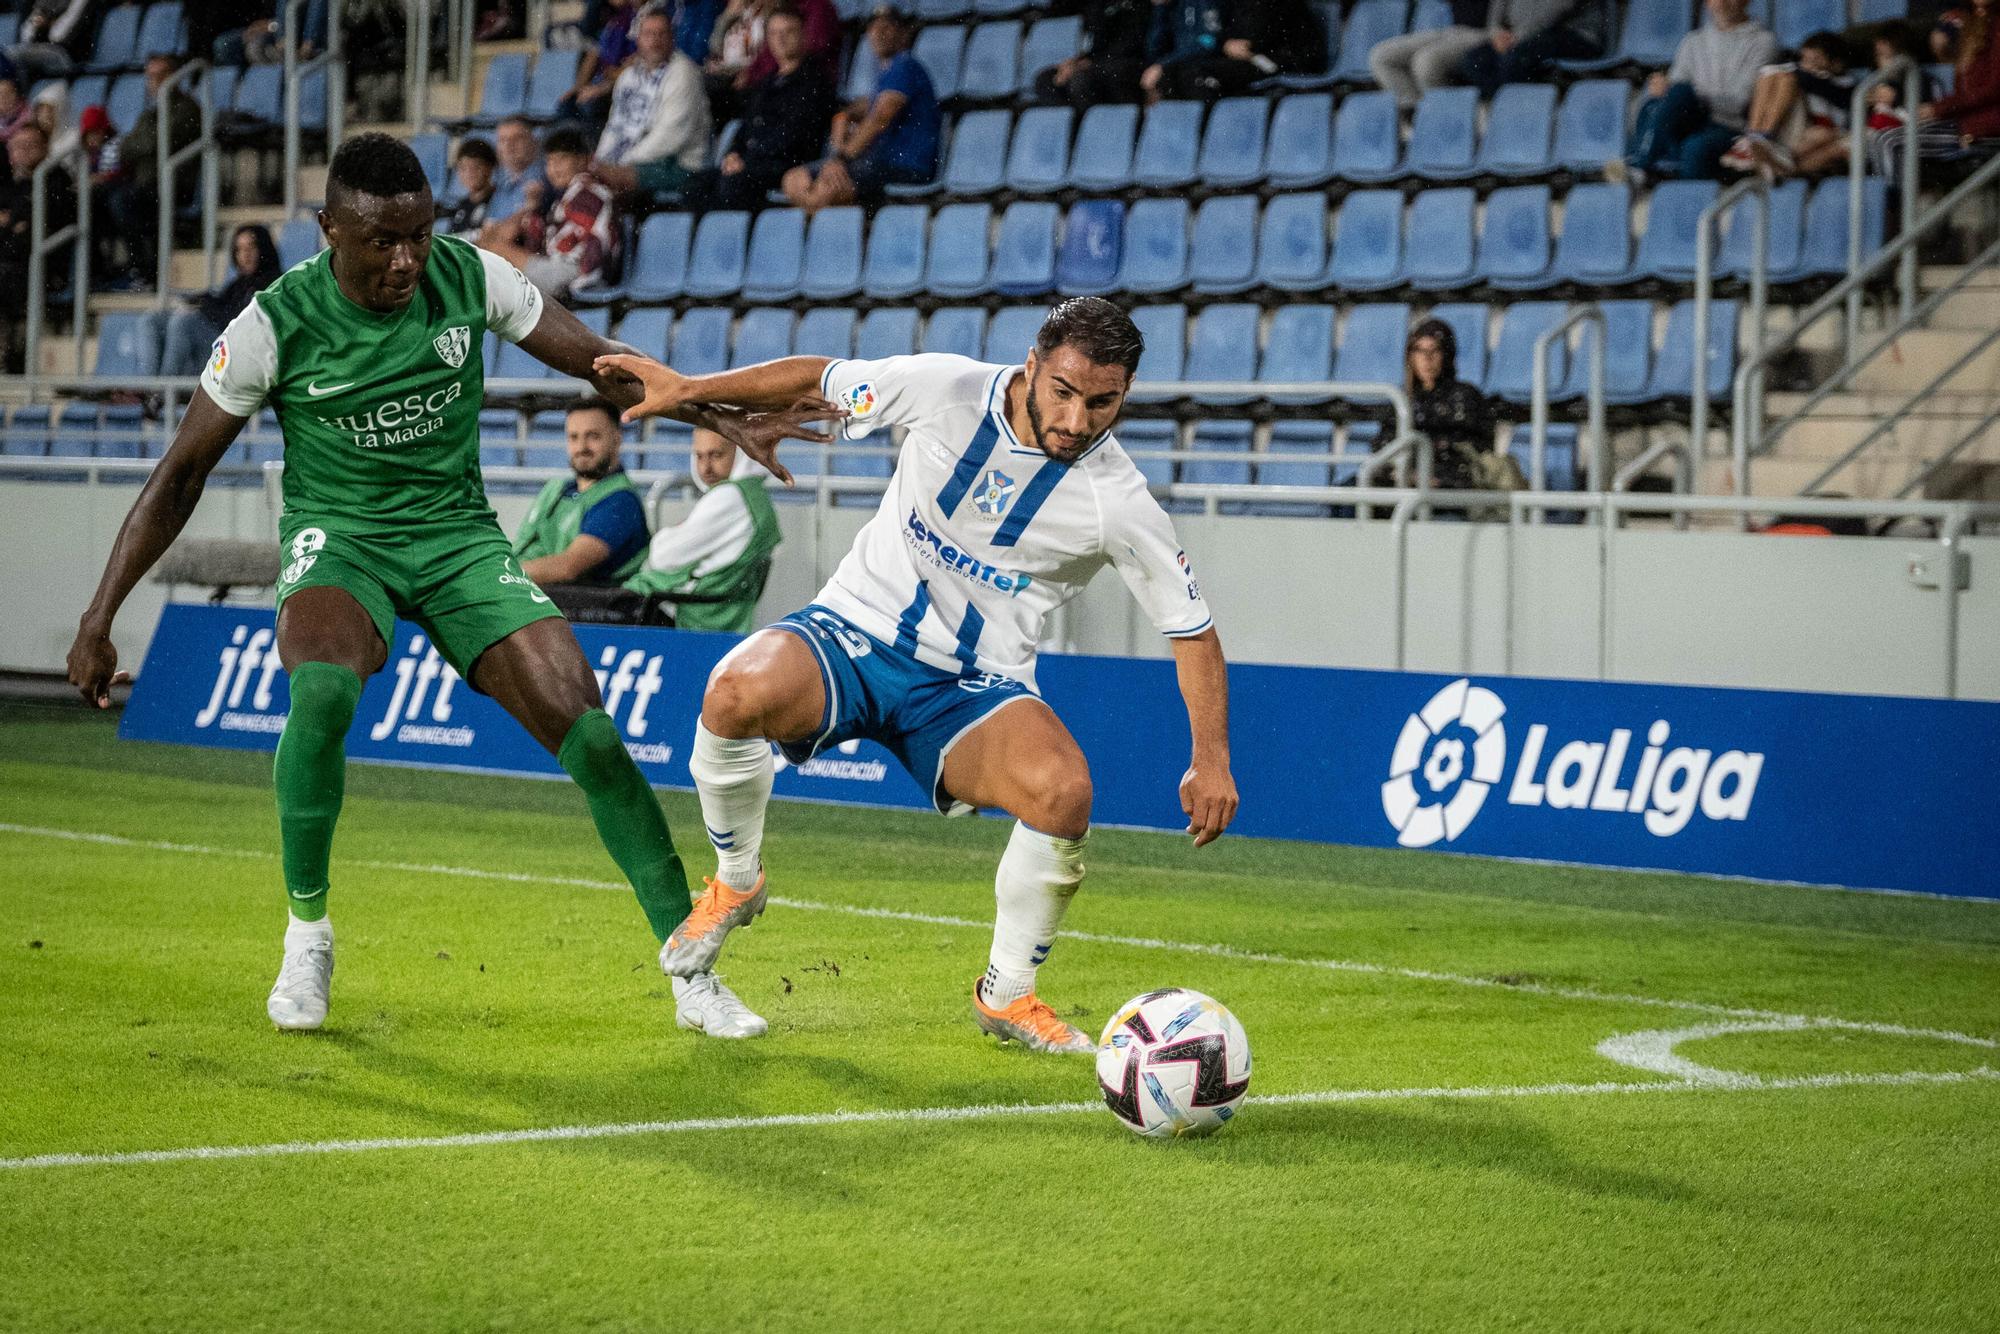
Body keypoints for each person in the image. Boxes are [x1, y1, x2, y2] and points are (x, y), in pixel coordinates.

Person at [65, 133, 833, 1038]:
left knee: (591, 734)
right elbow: (180, 475)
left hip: (458, 540)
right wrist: (100, 615)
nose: (406, 260)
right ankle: (307, 935)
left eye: (419, 235)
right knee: (321, 693)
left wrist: (719, 410)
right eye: (381, 241)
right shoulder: (274, 323)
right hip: (342, 539)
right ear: (329, 230)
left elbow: (595, 360)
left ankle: (692, 971)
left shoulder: (469, 276)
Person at [591, 297, 1240, 1046]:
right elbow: (822, 377)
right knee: (734, 690)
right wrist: (691, 389)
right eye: (1063, 391)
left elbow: (1193, 632)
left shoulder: (1118, 503)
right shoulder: (947, 389)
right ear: (1032, 365)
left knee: (1063, 793)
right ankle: (737, 878)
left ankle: (1007, 995)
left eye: (1102, 403)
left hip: (971, 686)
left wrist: (1211, 759)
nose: (1076, 419)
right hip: (853, 627)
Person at [674, 5, 835, 213]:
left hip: (785, 165)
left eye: (789, 32)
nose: (781, 39)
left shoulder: (815, 82)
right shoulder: (765, 83)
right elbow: (745, 127)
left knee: (733, 185)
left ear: (803, 35)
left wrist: (748, 161)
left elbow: (795, 135)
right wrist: (733, 154)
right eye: (774, 33)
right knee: (694, 185)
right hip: (751, 164)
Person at [623, 426, 781, 633]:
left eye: (716, 455)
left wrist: (665, 537)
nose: (706, 468)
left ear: (740, 452)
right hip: (720, 614)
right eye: (699, 456)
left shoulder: (729, 496)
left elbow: (662, 557)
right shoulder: (754, 494)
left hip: (694, 617)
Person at [782, 5, 938, 214]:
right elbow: (862, 107)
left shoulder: (905, 66)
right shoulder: (886, 74)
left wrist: (841, 158)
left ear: (904, 34)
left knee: (826, 189)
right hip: (876, 165)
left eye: (887, 27)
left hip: (905, 165)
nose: (879, 33)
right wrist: (843, 116)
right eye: (874, 28)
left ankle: (819, 224)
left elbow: (880, 118)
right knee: (793, 179)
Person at [1613, 0, 1780, 184]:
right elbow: (1675, 93)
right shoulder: (1693, 40)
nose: (1721, 4)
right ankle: (1639, 166)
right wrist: (1666, 89)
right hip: (1691, 121)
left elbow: (1740, 101)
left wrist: (1686, 92)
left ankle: (1638, 165)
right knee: (1660, 102)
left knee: (1693, 145)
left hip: (1730, 127)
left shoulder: (1763, 41)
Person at [511, 398, 652, 587]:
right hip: (527, 589)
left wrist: (499, 576)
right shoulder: (558, 488)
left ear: (617, 439)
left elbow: (567, 568)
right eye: (573, 437)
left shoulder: (619, 501)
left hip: (570, 602)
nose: (581, 447)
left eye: (593, 436)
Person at [96, 53, 202, 289]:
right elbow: (125, 149)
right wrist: (141, 145)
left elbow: (152, 144)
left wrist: (140, 145)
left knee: (122, 201)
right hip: (145, 185)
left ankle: (144, 269)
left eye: (161, 75)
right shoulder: (150, 113)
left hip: (174, 186)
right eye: (151, 77)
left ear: (176, 76)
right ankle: (99, 271)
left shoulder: (187, 109)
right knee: (95, 195)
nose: (155, 82)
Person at [585, 5, 712, 201]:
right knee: (586, 173)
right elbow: (615, 127)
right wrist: (601, 161)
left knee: (612, 180)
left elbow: (669, 138)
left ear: (672, 37)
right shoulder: (628, 77)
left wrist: (618, 165)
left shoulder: (683, 74)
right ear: (637, 39)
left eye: (662, 34)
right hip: (634, 160)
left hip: (680, 164)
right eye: (648, 34)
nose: (655, 41)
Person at [478, 127, 619, 301]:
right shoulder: (568, 195)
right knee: (492, 252)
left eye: (562, 159)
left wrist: (584, 281)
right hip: (559, 268)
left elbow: (598, 242)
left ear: (582, 161)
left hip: (573, 273)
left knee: (494, 250)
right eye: (550, 162)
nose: (554, 168)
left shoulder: (588, 193)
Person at [1871, 0, 2000, 176]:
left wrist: (1938, 108)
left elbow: (1993, 89)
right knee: (1882, 138)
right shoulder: (1971, 21)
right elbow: (1964, 91)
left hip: (1986, 126)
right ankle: (1897, 194)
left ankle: (1902, 196)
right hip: (1964, 120)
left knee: (1892, 143)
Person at [144, 224, 280, 381]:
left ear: (264, 249)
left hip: (237, 355)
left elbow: (238, 322)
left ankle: (163, 388)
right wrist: (198, 302)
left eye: (251, 247)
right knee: (152, 320)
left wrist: (203, 308)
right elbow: (219, 303)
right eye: (239, 249)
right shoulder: (240, 283)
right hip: (219, 344)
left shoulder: (273, 284)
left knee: (183, 322)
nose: (245, 255)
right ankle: (148, 384)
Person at [1719, 31, 1858, 180]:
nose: (1807, 65)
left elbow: (1824, 87)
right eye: (1804, 59)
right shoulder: (1801, 75)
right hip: (1786, 134)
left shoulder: (1846, 85)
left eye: (1815, 60)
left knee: (1788, 80)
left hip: (1808, 136)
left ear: (1836, 64)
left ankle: (1762, 145)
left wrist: (1797, 73)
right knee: (1771, 76)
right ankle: (1755, 138)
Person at [1142, 0, 1327, 101]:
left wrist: (1223, 43)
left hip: (1283, 61)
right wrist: (1160, 10)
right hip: (1254, 58)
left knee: (1198, 75)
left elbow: (1247, 43)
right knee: (1173, 76)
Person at [1405, 319, 1511, 494]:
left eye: (1434, 350)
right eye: (1419, 350)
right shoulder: (1402, 401)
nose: (1426, 358)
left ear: (1447, 355)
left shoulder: (1466, 396)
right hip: (1409, 482)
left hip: (1453, 487)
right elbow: (1384, 444)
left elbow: (1474, 452)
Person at [0, 121, 73, 373]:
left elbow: (32, 232)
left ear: (45, 148)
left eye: (30, 145)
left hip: (45, 267)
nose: (23, 150)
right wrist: (13, 226)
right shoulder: (12, 185)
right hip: (14, 263)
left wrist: (11, 225)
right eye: (17, 145)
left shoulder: (57, 180)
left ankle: (13, 357)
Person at [1457, 0, 1609, 97]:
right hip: (1521, 37)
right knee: (1474, 61)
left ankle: (1527, 113)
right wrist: (1496, 33)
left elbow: (1560, 7)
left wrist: (1519, 36)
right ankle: (1505, 111)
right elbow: (1498, 7)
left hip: (1574, 34)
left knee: (1516, 58)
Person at [1369, 0, 1490, 110]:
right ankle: (1418, 114)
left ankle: (1446, 116)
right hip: (1455, 30)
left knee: (1425, 61)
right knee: (1381, 57)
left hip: (1487, 33)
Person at [558, 0, 638, 129]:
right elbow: (595, 52)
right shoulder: (613, 20)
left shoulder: (636, 17)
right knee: (568, 104)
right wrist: (577, 88)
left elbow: (637, 60)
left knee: (589, 104)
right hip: (603, 80)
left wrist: (601, 88)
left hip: (619, 82)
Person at [489, 117, 548, 223]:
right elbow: (489, 227)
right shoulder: (501, 184)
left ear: (534, 142)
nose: (509, 145)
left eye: (517, 138)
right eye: (502, 140)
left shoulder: (546, 177)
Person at [437, 137, 497, 238]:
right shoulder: (462, 205)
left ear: (490, 168)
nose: (469, 173)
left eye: (476, 167)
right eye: (463, 167)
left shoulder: (498, 202)